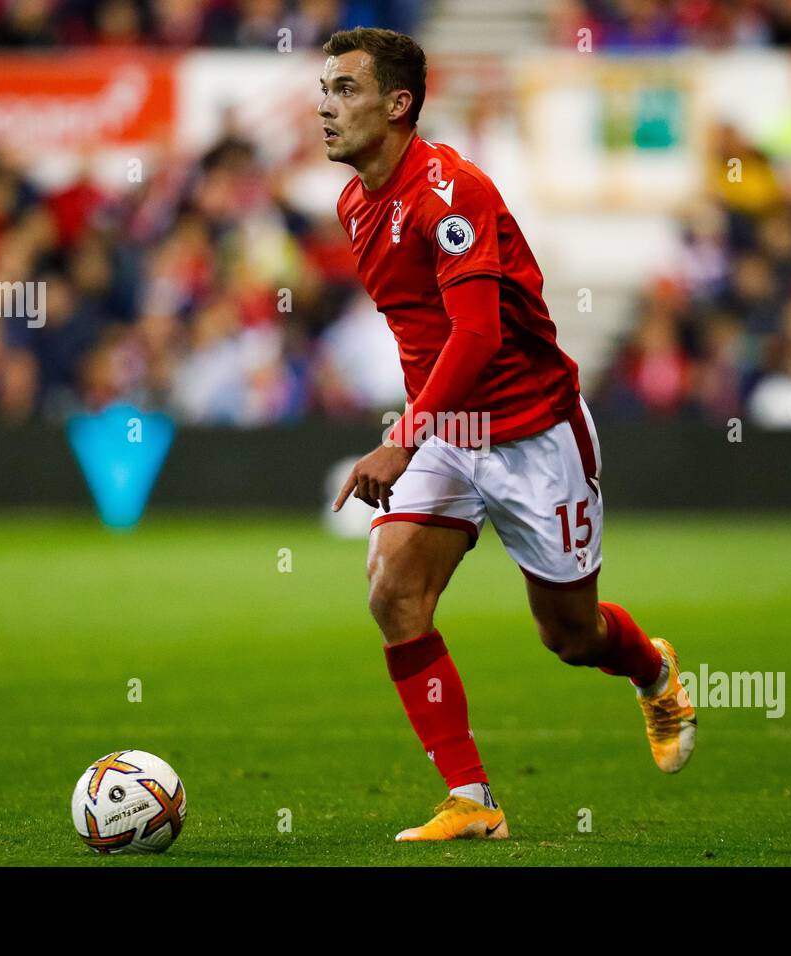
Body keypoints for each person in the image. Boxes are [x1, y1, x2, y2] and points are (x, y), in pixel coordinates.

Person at [320, 26, 696, 842]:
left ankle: (653, 669)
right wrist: (423, 431)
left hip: (535, 434)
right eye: (325, 89)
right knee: (392, 590)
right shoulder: (354, 204)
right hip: (447, 433)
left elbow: (479, 334)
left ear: (398, 104)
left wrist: (402, 436)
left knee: (570, 635)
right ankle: (472, 798)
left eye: (346, 89)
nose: (326, 105)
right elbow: (425, 337)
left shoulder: (450, 193)